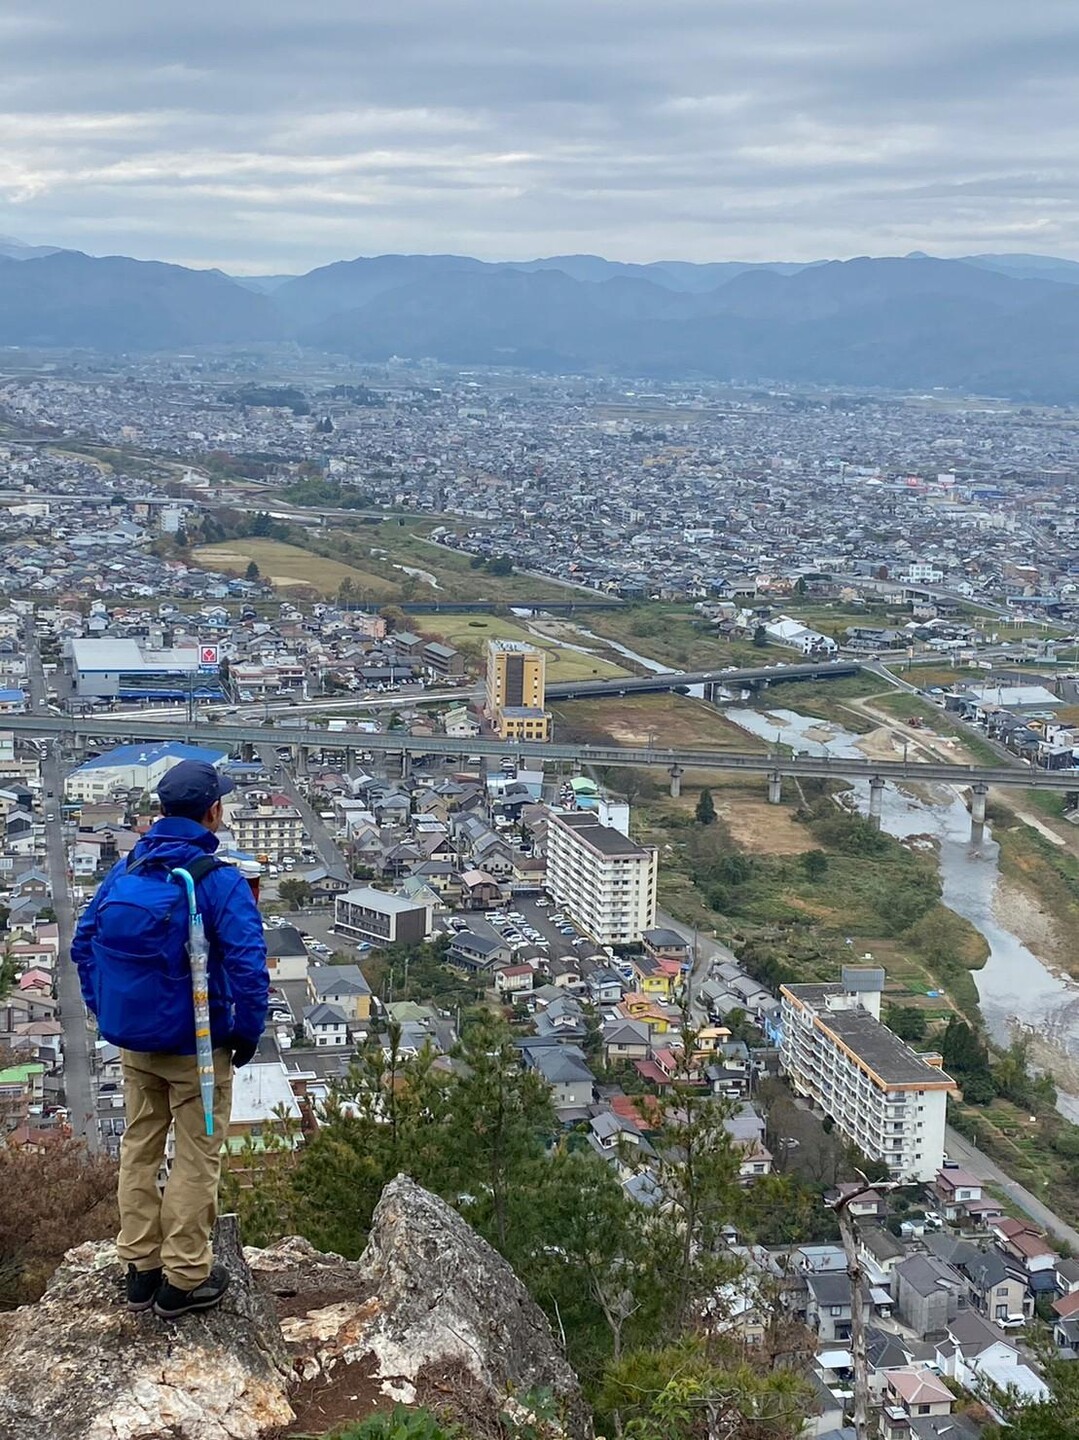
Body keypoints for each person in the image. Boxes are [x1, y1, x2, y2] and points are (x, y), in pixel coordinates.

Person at [72, 759, 269, 1319]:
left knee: (139, 1146)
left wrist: (107, 1008)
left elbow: (84, 944)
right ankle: (184, 1280)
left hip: (136, 1043)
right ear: (214, 812)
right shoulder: (220, 880)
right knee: (195, 1157)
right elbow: (251, 969)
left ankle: (140, 1268)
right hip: (199, 1050)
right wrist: (245, 1034)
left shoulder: (131, 865)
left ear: (160, 811)